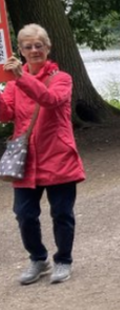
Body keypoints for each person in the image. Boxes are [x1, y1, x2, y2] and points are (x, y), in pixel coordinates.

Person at [2, 24, 85, 285]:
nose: (34, 50)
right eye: (28, 46)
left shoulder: (62, 78)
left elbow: (50, 99)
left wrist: (19, 78)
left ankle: (63, 260)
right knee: (24, 214)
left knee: (62, 214)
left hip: (58, 157)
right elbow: (6, 114)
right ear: (21, 51)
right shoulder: (15, 83)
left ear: (48, 48)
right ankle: (38, 259)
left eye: (39, 45)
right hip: (26, 161)